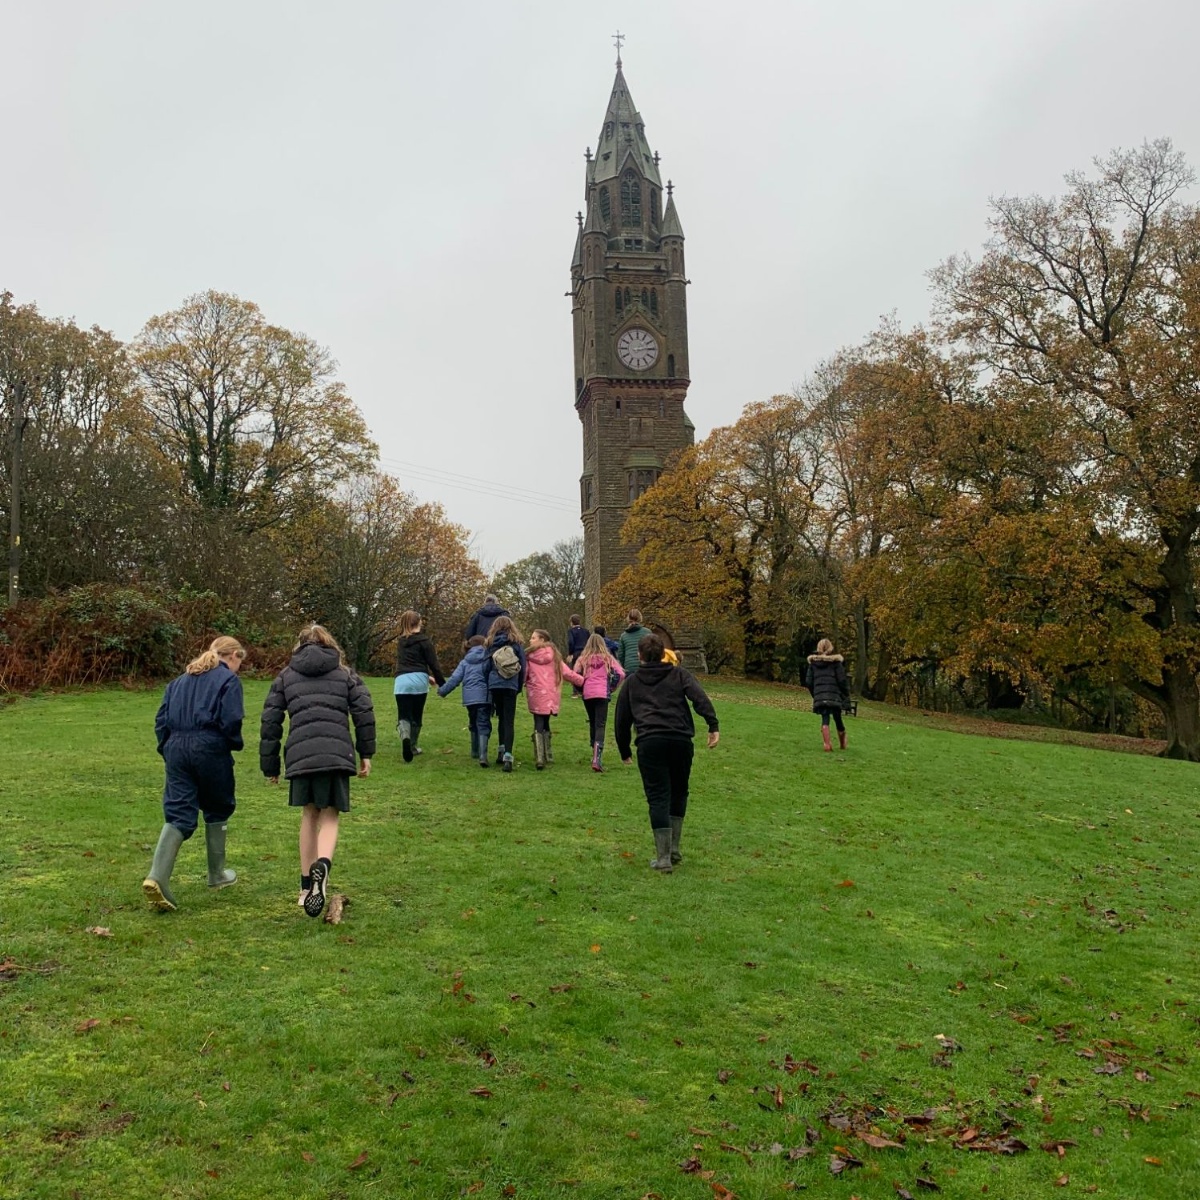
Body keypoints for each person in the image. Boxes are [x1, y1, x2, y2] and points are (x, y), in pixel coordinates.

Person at [259, 624, 376, 918]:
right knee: (331, 814)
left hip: (301, 754)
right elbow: (364, 712)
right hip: (337, 753)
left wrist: (270, 765)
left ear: (299, 646)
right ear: (330, 644)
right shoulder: (346, 674)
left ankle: (304, 888)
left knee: (309, 815)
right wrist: (366, 754)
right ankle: (322, 865)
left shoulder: (286, 676)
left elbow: (270, 722)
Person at [143, 637, 247, 912]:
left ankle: (157, 877)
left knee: (178, 813)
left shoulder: (178, 682)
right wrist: (231, 743)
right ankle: (217, 874)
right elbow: (232, 719)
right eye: (240, 662)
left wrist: (166, 746)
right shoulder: (229, 681)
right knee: (218, 806)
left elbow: (160, 720)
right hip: (210, 748)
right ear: (234, 656)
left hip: (176, 748)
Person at [615, 634, 719, 873]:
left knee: (658, 795)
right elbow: (699, 697)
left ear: (639, 655)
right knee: (679, 791)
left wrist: (624, 749)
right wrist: (712, 725)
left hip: (650, 742)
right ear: (664, 654)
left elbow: (622, 718)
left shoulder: (632, 682)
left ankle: (663, 858)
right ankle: (673, 849)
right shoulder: (679, 674)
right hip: (680, 739)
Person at [524, 629, 584, 769]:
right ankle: (548, 754)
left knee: (538, 721)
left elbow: (524, 674)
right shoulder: (555, 656)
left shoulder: (529, 657)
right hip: (551, 693)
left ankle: (539, 756)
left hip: (536, 693)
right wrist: (584, 681)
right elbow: (568, 673)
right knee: (546, 721)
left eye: (533, 638)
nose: (530, 640)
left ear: (542, 639)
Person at [393, 609, 445, 762]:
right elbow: (433, 664)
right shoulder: (424, 641)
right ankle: (413, 746)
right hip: (418, 682)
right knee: (416, 715)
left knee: (403, 715)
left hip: (401, 681)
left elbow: (408, 663)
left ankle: (405, 737)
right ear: (419, 623)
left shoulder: (401, 642)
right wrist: (442, 684)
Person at [483, 615, 527, 773]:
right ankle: (508, 756)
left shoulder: (490, 643)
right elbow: (523, 665)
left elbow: (485, 667)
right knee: (509, 720)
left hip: (495, 685)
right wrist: (519, 684)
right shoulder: (516, 644)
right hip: (511, 685)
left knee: (500, 718)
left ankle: (500, 751)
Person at [575, 632, 625, 772]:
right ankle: (597, 757)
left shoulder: (583, 659)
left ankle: (593, 751)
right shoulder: (607, 658)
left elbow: (575, 674)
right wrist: (613, 687)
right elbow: (621, 674)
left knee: (592, 722)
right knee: (600, 724)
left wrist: (580, 688)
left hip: (588, 693)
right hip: (602, 693)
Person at [438, 635, 492, 764]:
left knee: (473, 722)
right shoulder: (488, 660)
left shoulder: (465, 662)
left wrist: (443, 691)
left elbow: (455, 679)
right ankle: (483, 756)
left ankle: (474, 751)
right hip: (485, 697)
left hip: (470, 699)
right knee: (484, 723)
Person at [805, 637, 851, 751]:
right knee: (838, 718)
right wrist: (845, 693)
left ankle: (826, 744)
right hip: (834, 695)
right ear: (830, 648)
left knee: (825, 718)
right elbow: (842, 680)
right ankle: (842, 743)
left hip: (820, 695)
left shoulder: (813, 664)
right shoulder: (836, 664)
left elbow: (808, 682)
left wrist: (815, 694)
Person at [616, 608, 652, 675]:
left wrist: (624, 667)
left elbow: (620, 655)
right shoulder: (648, 632)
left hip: (629, 667)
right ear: (640, 618)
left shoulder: (623, 636)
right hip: (645, 666)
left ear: (628, 619)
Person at [565, 614, 589, 698]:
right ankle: (584, 690)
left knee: (575, 671)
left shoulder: (571, 631)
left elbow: (571, 642)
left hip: (576, 652)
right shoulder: (586, 631)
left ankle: (576, 692)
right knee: (584, 671)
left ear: (571, 622)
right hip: (585, 652)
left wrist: (570, 653)